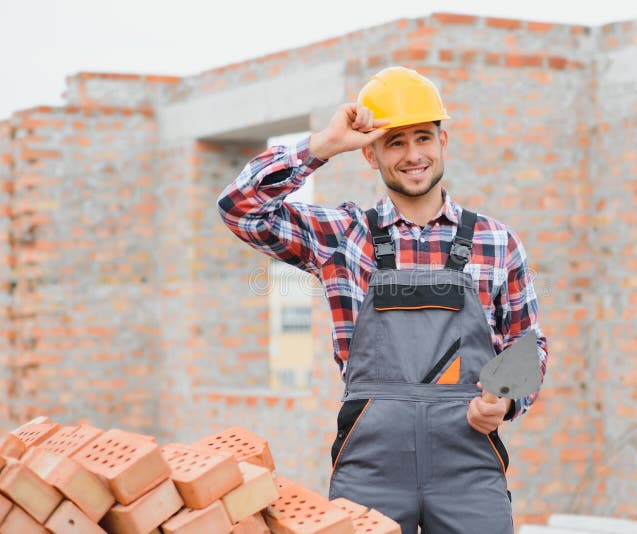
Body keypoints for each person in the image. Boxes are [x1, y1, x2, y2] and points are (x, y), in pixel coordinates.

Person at [217, 66, 548, 534]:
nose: (413, 155)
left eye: (423, 138)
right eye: (395, 142)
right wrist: (323, 146)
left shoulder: (496, 241)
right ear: (370, 155)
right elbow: (240, 206)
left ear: (443, 142)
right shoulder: (341, 237)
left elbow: (528, 346)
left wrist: (507, 401)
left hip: (469, 468)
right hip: (371, 467)